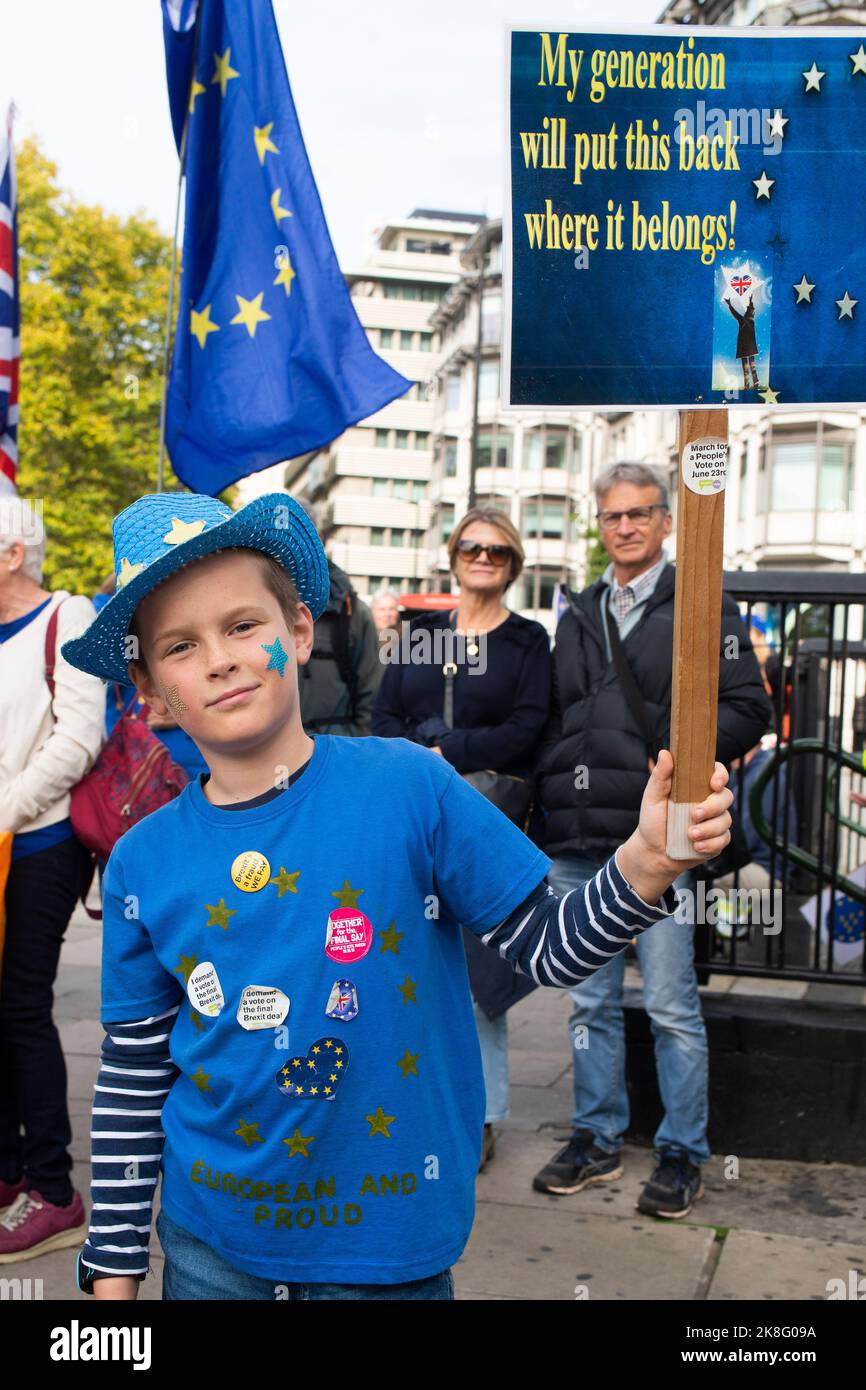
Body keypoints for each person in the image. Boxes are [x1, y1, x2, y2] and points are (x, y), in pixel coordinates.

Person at [53, 489, 731, 1299]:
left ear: (299, 632)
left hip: (387, 1254)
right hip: (209, 1254)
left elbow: (551, 944)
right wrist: (114, 1265)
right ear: (151, 687)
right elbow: (132, 1074)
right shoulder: (140, 862)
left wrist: (645, 863)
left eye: (242, 626)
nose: (221, 659)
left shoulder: (412, 786)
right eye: (179, 645)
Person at [533, 462, 772, 1218]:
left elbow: (749, 708)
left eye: (640, 514)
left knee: (671, 1005)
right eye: (613, 517)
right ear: (600, 526)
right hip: (577, 836)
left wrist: (676, 757)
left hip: (663, 836)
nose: (626, 527)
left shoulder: (700, 603)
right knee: (587, 1004)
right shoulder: (579, 610)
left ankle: (682, 1152)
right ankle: (596, 1137)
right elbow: (555, 714)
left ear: (667, 522)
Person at [372, 508, 551, 1168]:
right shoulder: (421, 634)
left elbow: (530, 725)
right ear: (453, 555)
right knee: (405, 957)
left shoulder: (527, 641)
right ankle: (411, 1101)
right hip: (415, 812)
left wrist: (452, 749)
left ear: (513, 565)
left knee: (482, 972)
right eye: (473, 547)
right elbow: (384, 714)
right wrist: (427, 757)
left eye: (498, 551)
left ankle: (482, 1114)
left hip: (485, 815)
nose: (484, 558)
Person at [0, 496, 106, 1260]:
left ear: (12, 553)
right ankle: (6, 1174)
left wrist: (6, 810)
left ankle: (54, 1189)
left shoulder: (67, 617)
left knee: (21, 1006)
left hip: (38, 839)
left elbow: (80, 735)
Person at [294, 498, 380, 736]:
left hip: (338, 752)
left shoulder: (354, 613)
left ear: (318, 538)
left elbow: (372, 698)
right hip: (267, 755)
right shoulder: (256, 606)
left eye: (298, 534)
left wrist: (356, 754)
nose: (289, 547)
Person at [723, 296, 761, 393]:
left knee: (747, 367)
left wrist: (730, 305)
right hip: (750, 348)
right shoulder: (751, 321)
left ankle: (748, 385)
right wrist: (750, 301)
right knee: (751, 366)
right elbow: (749, 310)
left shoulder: (743, 320)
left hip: (744, 348)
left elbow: (736, 314)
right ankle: (754, 383)